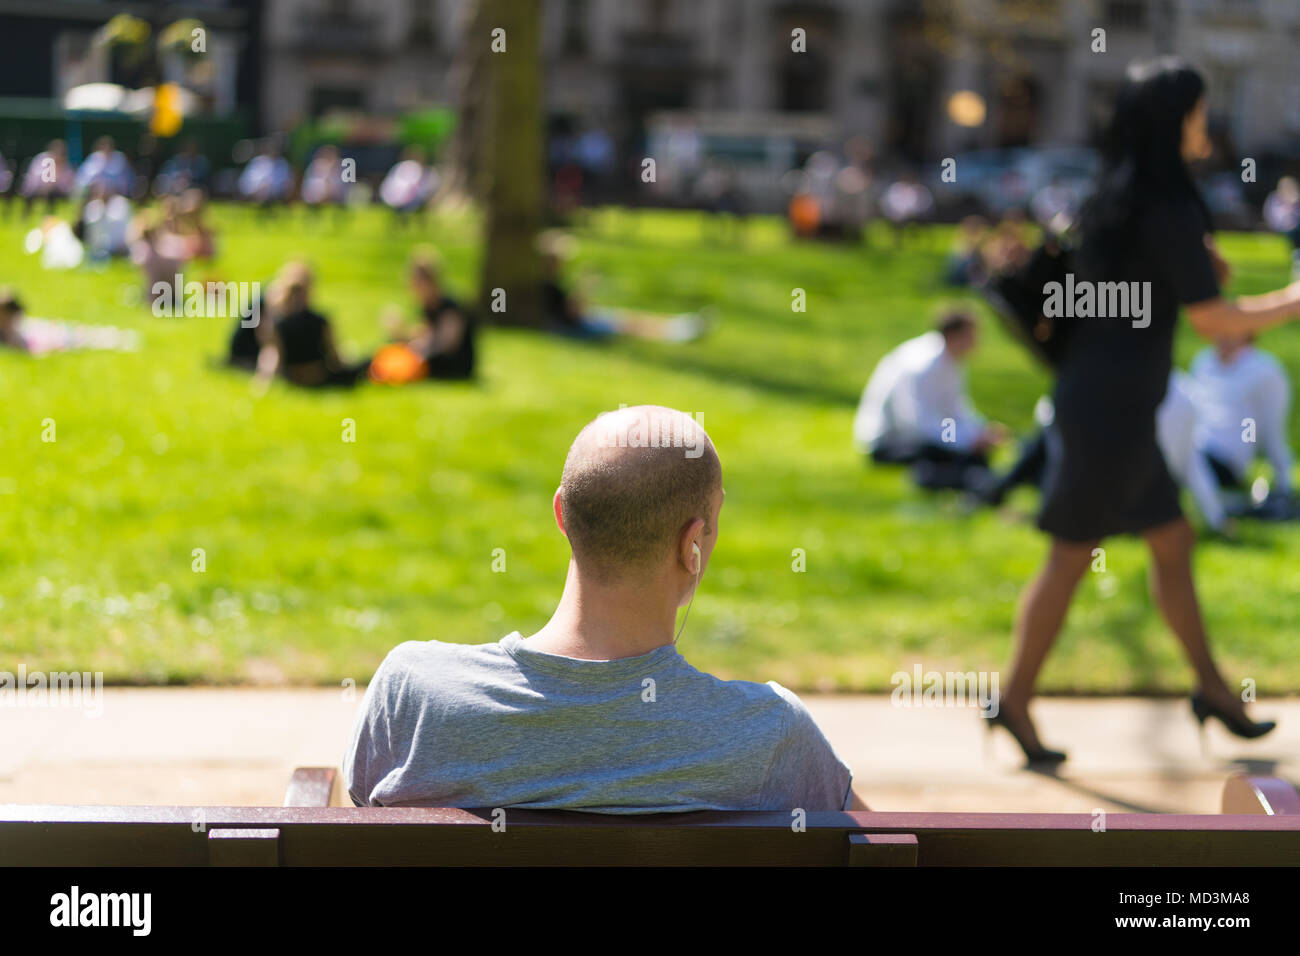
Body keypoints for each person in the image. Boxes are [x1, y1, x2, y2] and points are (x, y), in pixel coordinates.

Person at [996, 58, 1300, 764]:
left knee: (1170, 542)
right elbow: (1217, 321)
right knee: (1072, 556)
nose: (1207, 124)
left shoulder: (1118, 197)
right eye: (1199, 111)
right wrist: (1293, 299)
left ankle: (1213, 689)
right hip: (1113, 412)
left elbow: (1136, 289)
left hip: (1102, 400)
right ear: (1176, 122)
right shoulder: (1167, 207)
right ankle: (1013, 700)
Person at [344, 405, 867, 813]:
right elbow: (885, 844)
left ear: (562, 515)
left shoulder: (413, 695)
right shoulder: (771, 737)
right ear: (693, 545)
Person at [853, 310, 1007, 492]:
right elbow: (916, 423)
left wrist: (980, 432)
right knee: (951, 454)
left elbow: (956, 410)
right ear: (953, 335)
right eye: (971, 336)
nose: (976, 344)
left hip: (920, 436)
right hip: (888, 443)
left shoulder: (951, 363)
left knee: (973, 456)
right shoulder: (921, 364)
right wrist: (965, 441)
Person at [1187, 333, 1293, 524]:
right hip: (1192, 442)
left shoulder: (1265, 370)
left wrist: (1283, 485)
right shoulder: (1204, 361)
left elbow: (1272, 430)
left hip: (1224, 458)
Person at [539, 232, 710, 342]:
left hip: (579, 321)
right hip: (576, 327)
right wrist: (584, 287)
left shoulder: (548, 283)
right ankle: (676, 333)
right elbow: (573, 314)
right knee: (628, 324)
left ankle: (678, 326)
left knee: (628, 317)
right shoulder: (548, 287)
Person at [254, 262, 370, 388]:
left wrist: (262, 382)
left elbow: (273, 357)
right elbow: (334, 356)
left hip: (292, 378)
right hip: (319, 376)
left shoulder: (276, 324)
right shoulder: (321, 321)